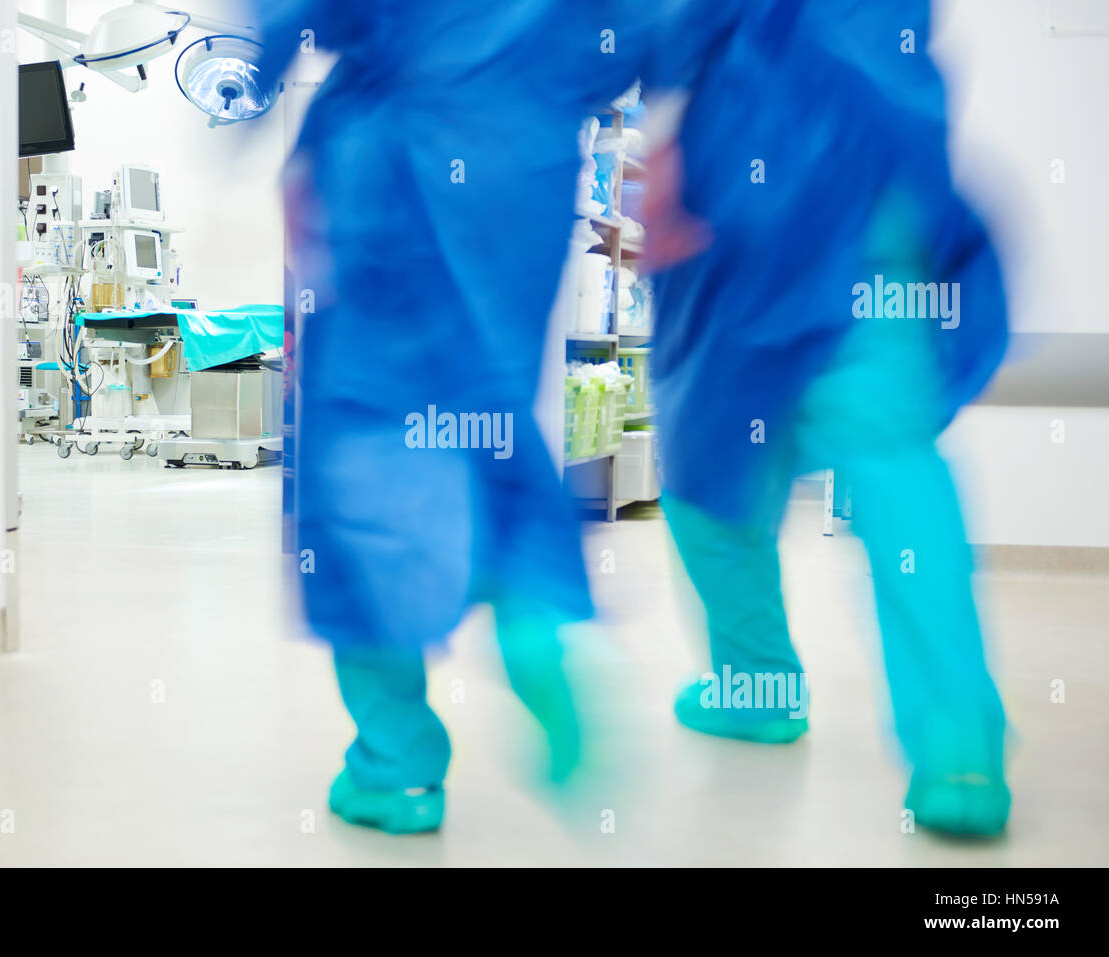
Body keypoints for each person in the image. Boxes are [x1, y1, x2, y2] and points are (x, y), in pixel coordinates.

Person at [255, 1, 663, 834]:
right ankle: (538, 613)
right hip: (524, 168)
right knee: (485, 419)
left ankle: (394, 765)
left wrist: (258, 77)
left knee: (362, 464)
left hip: (395, 160)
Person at [641, 0, 1012, 835]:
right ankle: (959, 751)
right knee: (894, 460)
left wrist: (662, 126)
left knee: (706, 463)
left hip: (753, 165)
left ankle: (756, 685)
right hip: (886, 165)